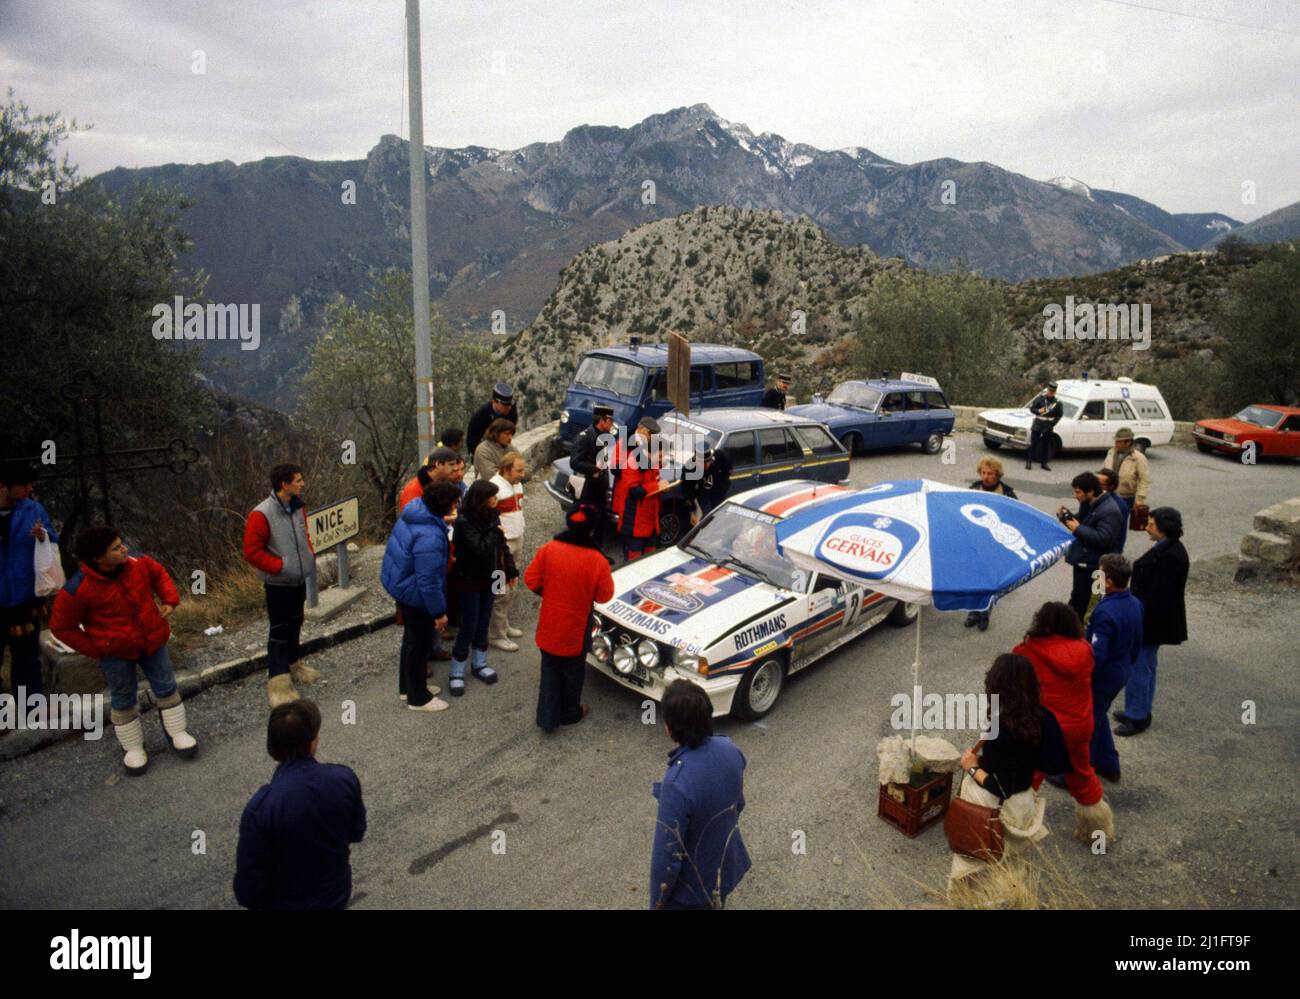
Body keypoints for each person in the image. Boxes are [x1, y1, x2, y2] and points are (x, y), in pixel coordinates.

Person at [50, 527, 197, 774]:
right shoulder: (78, 588)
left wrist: (169, 600)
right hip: (115, 652)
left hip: (152, 639)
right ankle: (133, 748)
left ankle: (178, 733)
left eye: (121, 544)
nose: (124, 549)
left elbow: (159, 575)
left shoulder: (138, 563)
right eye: (116, 548)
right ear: (99, 558)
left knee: (166, 686)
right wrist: (97, 648)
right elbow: (62, 627)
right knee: (123, 697)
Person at [234, 699, 366, 910]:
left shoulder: (260, 809)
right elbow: (356, 832)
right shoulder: (344, 779)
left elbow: (248, 887)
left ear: (272, 748)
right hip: (335, 895)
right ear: (313, 742)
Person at [1013, 602, 1115, 842]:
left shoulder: (1025, 652)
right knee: (1082, 776)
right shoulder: (1085, 651)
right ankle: (1098, 835)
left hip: (1044, 729)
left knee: (1029, 777)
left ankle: (1016, 830)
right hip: (1079, 727)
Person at [949, 654, 1050, 888]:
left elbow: (1000, 787)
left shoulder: (1002, 728)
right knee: (1009, 864)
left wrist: (972, 768)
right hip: (1023, 802)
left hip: (995, 807)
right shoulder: (1041, 717)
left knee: (973, 864)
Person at [649, 679, 752, 909]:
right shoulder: (729, 749)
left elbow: (666, 859)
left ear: (669, 727)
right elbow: (738, 804)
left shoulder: (676, 783)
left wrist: (656, 903)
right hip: (722, 867)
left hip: (690, 892)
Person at [524, 503, 614, 732]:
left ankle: (546, 716)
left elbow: (531, 579)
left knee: (550, 668)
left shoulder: (549, 548)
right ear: (592, 530)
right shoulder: (597, 560)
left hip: (550, 619)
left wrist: (551, 592)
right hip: (577, 622)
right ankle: (570, 712)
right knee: (573, 671)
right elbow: (605, 596)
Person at [380, 480, 459, 712]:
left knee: (411, 642)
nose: (456, 505)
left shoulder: (415, 511)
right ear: (443, 504)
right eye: (453, 501)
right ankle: (418, 698)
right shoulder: (430, 537)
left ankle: (408, 687)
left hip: (401, 584)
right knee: (420, 645)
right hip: (415, 593)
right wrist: (439, 612)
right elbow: (428, 580)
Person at [1118, 507, 1188, 737]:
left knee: (1140, 668)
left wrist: (1134, 616)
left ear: (1163, 528)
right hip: (1151, 619)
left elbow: (1157, 596)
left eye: (1151, 524)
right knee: (1146, 666)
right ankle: (1140, 709)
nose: (1147, 526)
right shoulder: (1167, 549)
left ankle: (1137, 716)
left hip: (1150, 621)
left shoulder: (1172, 556)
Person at [448, 479, 518, 695]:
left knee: (484, 619)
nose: (496, 500)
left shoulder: (492, 515)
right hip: (471, 578)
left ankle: (479, 663)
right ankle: (456, 670)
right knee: (469, 623)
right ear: (482, 499)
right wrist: (494, 532)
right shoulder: (464, 522)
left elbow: (501, 545)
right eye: (493, 496)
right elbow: (480, 548)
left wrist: (511, 571)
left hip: (494, 574)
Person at [1, 461, 57, 700]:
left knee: (27, 656)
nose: (29, 489)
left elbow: (52, 538)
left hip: (26, 596)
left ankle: (31, 707)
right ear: (4, 486)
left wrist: (43, 535)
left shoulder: (33, 509)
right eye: (24, 485)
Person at [1086, 554, 1143, 782]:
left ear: (1108, 581)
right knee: (1099, 716)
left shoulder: (1105, 611)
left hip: (1104, 674)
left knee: (1089, 722)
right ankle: (1109, 764)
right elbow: (1138, 642)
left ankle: (1084, 773)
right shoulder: (1135, 603)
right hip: (1122, 667)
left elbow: (1097, 655)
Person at [1058, 471, 1125, 622]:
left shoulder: (1109, 511)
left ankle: (1083, 632)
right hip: (1084, 562)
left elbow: (1104, 539)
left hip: (1097, 567)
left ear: (1091, 492)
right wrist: (1066, 517)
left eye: (1078, 492)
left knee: (1093, 602)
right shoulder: (1089, 503)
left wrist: (1077, 528)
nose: (1076, 495)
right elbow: (1083, 522)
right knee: (1078, 597)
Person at [964, 457, 1017, 631]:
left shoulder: (1008, 493)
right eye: (984, 473)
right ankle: (972, 612)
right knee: (973, 579)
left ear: (997, 475)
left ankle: (985, 614)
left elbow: (1015, 518)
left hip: (995, 544)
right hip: (975, 543)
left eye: (990, 474)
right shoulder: (972, 489)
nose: (986, 477)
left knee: (989, 581)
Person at [613, 416, 671, 562]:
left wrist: (659, 486)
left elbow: (653, 477)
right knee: (633, 560)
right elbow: (634, 489)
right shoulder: (631, 452)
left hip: (648, 516)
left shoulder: (648, 459)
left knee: (647, 559)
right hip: (634, 515)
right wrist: (655, 485)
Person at [488, 451, 527, 652]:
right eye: (518, 470)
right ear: (506, 469)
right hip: (500, 547)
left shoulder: (516, 484)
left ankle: (503, 625)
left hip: (516, 540)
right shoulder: (494, 488)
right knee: (499, 588)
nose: (523, 473)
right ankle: (495, 634)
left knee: (512, 584)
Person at [569, 403, 616, 549]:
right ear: (601, 421)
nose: (612, 424)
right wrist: (593, 468)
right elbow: (575, 462)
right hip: (588, 490)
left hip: (599, 490)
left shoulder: (603, 437)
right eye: (609, 420)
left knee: (600, 523)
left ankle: (597, 553)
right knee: (586, 524)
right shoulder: (585, 437)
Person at [1104, 428, 1151, 528]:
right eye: (1115, 441)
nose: (1116, 444)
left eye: (1119, 442)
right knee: (1107, 523)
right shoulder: (1111, 452)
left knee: (1120, 525)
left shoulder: (1138, 458)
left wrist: (1140, 500)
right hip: (1109, 495)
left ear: (1128, 442)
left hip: (1125, 498)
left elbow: (1144, 480)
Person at [396, 446, 462, 515]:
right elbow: (410, 517)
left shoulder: (445, 484)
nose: (455, 468)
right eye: (451, 464)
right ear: (438, 464)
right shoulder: (413, 490)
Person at [682, 444, 732, 525]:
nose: (706, 465)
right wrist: (692, 512)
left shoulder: (720, 456)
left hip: (719, 491)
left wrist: (722, 485)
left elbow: (728, 471)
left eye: (708, 462)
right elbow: (687, 491)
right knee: (707, 520)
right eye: (702, 463)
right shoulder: (689, 469)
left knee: (721, 517)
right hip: (703, 495)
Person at [466, 382, 518, 458]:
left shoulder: (511, 411)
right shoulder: (482, 414)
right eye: (505, 405)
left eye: (510, 405)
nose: (509, 407)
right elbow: (472, 437)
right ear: (494, 402)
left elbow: (512, 428)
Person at [1026, 380, 1063, 471]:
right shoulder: (1040, 399)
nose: (1051, 393)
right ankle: (1029, 461)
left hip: (1048, 424)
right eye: (1050, 391)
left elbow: (1059, 415)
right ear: (1047, 390)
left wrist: (1052, 423)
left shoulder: (1057, 403)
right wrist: (1038, 411)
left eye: (1053, 391)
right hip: (1038, 423)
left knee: (1046, 445)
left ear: (1055, 392)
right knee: (1034, 443)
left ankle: (1044, 463)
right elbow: (1032, 408)